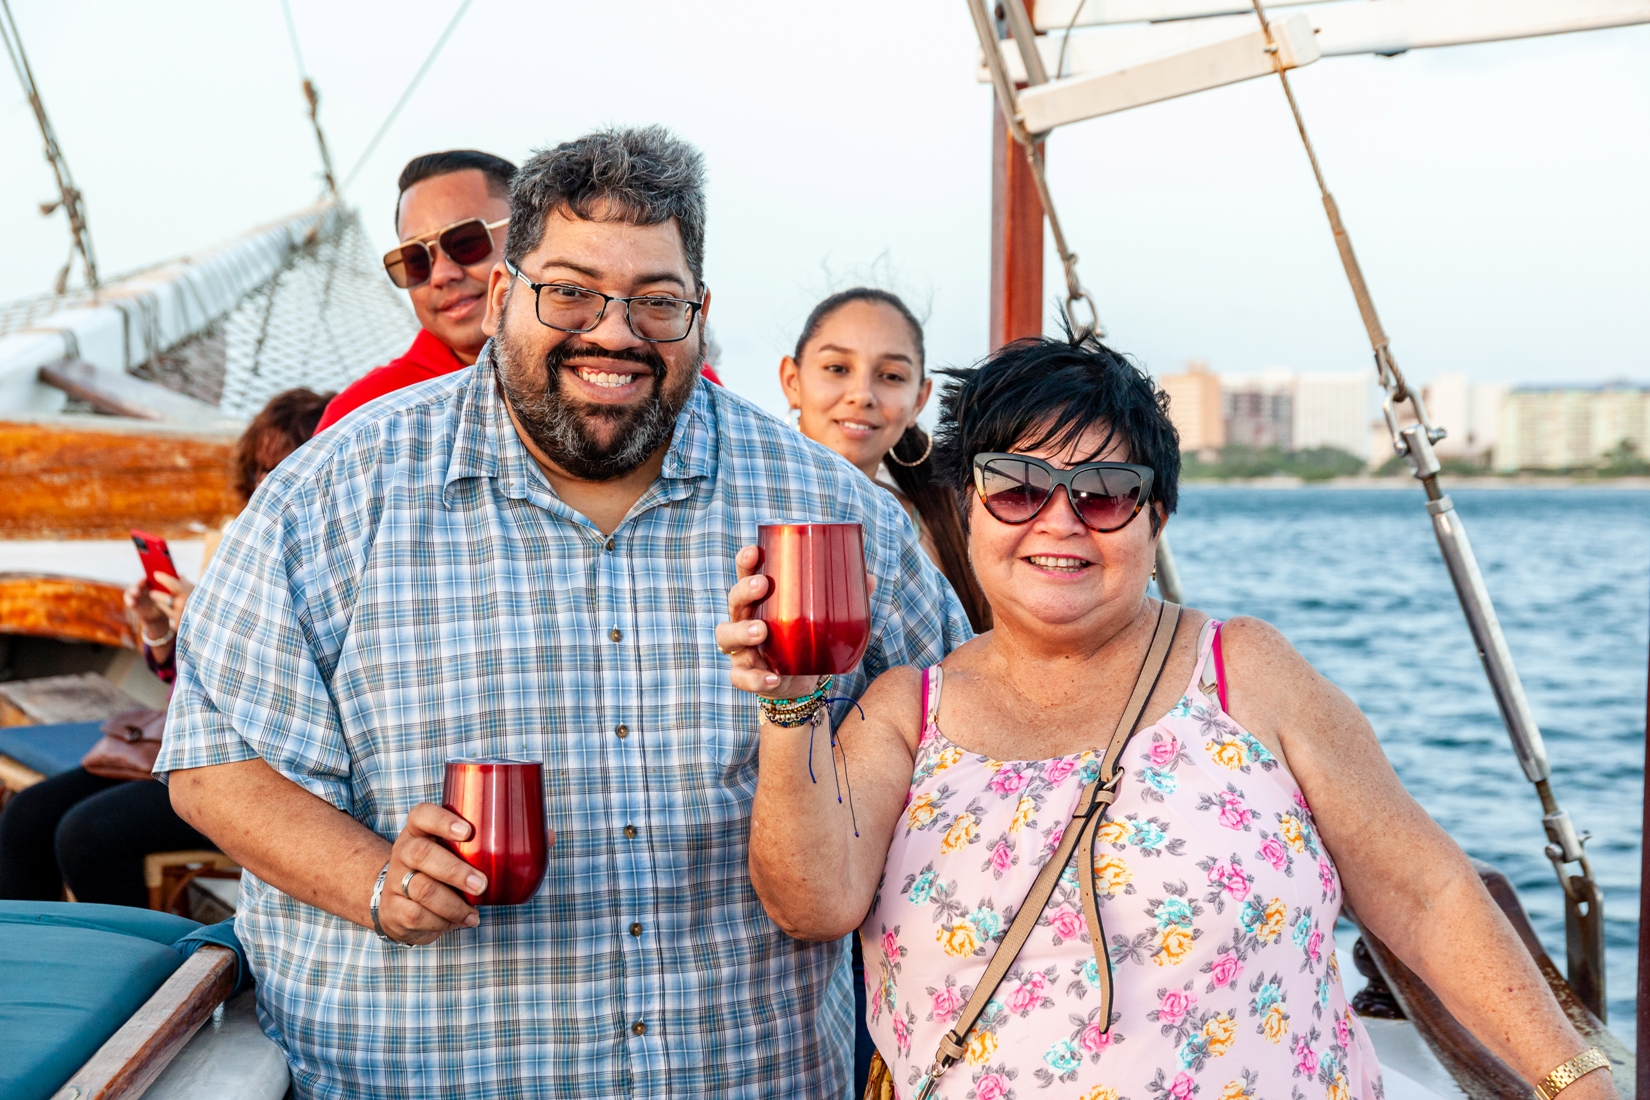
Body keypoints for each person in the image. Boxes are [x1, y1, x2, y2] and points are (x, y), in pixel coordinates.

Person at [158, 126, 971, 1099]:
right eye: (572, 291)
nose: (616, 332)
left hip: (746, 1074)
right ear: (505, 295)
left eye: (656, 302)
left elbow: (962, 747)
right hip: (411, 1076)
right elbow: (213, 761)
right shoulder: (333, 494)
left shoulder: (837, 514)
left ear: (700, 313)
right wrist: (380, 880)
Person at [720, 334, 1615, 1100]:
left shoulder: (1247, 673)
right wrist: (790, 702)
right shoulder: (904, 713)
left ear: (1156, 516)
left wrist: (1578, 1083)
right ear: (968, 503)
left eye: (1103, 493)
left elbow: (1428, 894)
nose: (1059, 522)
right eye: (1018, 487)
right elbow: (812, 902)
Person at [0, 387, 332, 907]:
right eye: (259, 471)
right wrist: (160, 627)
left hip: (251, 768)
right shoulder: (237, 545)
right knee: (26, 817)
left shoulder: (328, 560)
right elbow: (187, 679)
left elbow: (280, 693)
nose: (266, 485)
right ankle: (31, 963)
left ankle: (140, 973)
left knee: (86, 835)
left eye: (283, 467)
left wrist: (204, 616)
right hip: (181, 747)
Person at [782, 289, 990, 633]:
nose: (862, 395)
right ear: (793, 381)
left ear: (920, 399)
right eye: (837, 368)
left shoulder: (952, 520)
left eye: (891, 376)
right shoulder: (742, 505)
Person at [315, 150, 516, 431]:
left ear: (532, 234)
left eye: (466, 242)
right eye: (415, 260)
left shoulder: (593, 372)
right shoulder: (363, 416)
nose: (442, 275)